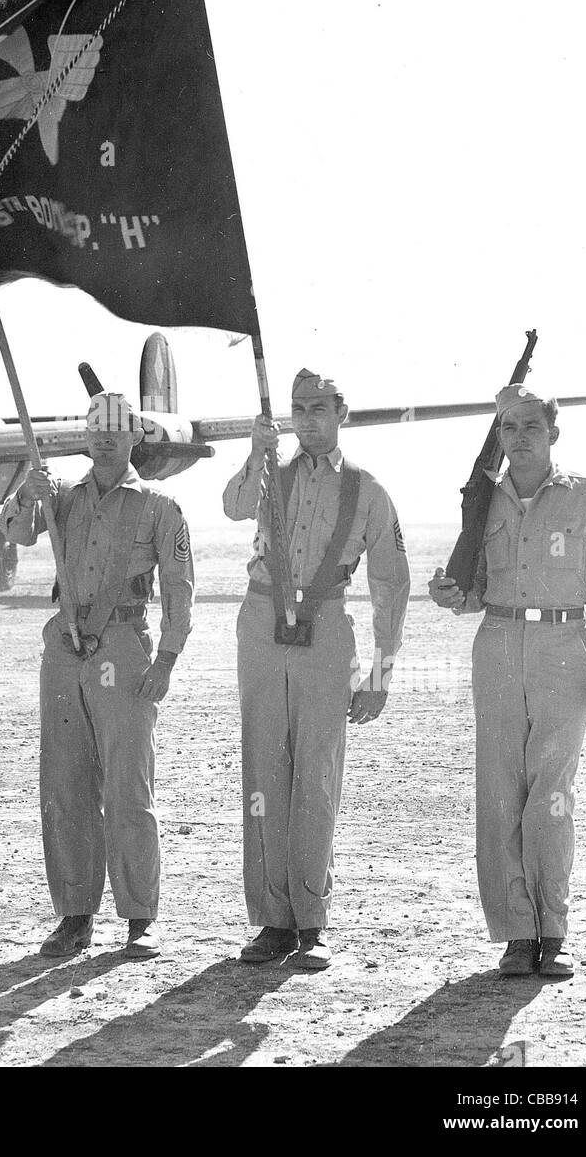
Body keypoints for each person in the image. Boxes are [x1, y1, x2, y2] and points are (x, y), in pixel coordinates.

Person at [428, 384, 586, 978]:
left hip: (563, 651)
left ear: (553, 434)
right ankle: (517, 934)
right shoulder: (482, 502)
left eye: (530, 427)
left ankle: (553, 927)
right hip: (496, 644)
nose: (518, 437)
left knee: (553, 794)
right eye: (507, 427)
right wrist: (451, 596)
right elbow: (474, 588)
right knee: (499, 793)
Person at [223, 370, 410, 969]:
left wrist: (381, 670)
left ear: (341, 413)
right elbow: (230, 506)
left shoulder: (367, 491)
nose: (307, 419)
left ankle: (311, 921)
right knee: (264, 773)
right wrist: (254, 455)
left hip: (327, 628)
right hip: (261, 623)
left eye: (319, 408)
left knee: (316, 779)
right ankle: (271, 921)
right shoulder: (269, 477)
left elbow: (391, 582)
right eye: (298, 409)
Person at [0, 392, 195, 960]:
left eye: (116, 429)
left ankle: (140, 918)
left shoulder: (160, 506)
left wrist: (166, 661)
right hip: (65, 648)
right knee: (64, 787)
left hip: (123, 647)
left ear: (135, 436)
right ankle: (75, 916)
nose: (105, 439)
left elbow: (180, 592)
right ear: (86, 437)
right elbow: (17, 533)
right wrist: (25, 494)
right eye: (96, 429)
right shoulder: (60, 497)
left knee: (128, 787)